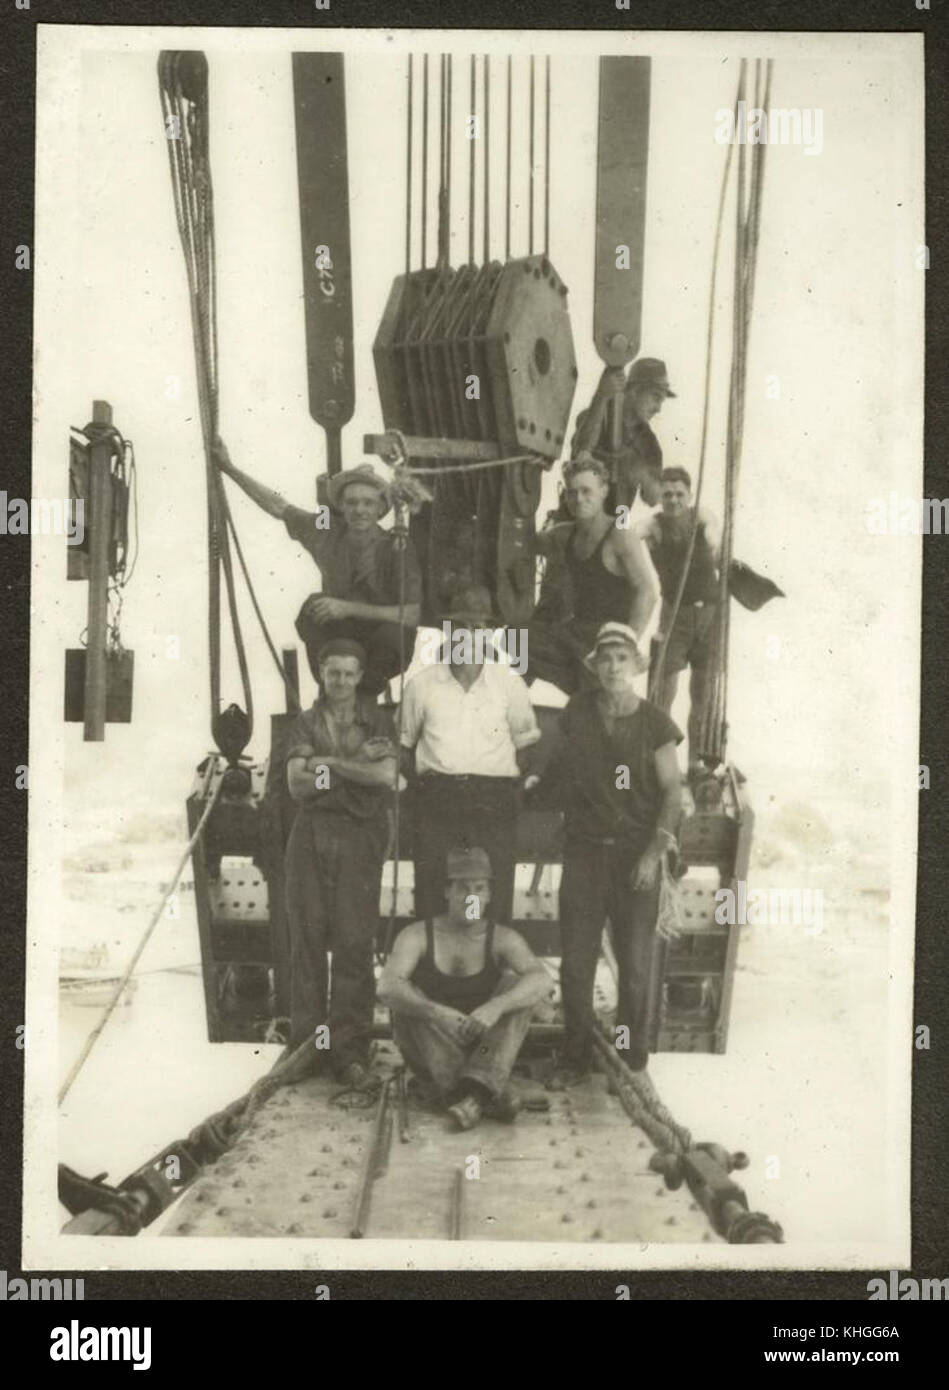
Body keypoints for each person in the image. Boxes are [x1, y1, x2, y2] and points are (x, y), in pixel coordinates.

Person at [526, 622, 683, 1079]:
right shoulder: (577, 711)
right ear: (595, 667)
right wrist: (535, 781)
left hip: (636, 857)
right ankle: (574, 1057)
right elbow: (559, 761)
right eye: (606, 659)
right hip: (585, 855)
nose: (614, 667)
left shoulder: (656, 725)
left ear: (636, 666)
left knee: (634, 969)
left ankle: (628, 1059)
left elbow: (672, 792)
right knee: (576, 963)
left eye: (622, 658)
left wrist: (653, 855)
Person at [212, 440, 421, 695]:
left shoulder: (397, 547)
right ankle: (329, 689)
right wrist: (230, 468)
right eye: (352, 502)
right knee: (312, 609)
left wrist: (347, 608)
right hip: (342, 638)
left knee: (392, 636)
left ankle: (364, 699)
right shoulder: (325, 532)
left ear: (380, 509)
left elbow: (411, 614)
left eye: (368, 503)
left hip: (381, 645)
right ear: (341, 507)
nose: (360, 510)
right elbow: (279, 507)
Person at [284, 638, 400, 1086]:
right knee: (307, 939)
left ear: (360, 676)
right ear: (321, 673)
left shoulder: (377, 720)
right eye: (334, 673)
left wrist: (325, 764)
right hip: (310, 835)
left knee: (354, 941)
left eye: (350, 674)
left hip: (360, 836)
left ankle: (349, 1050)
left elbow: (385, 776)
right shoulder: (305, 723)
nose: (342, 682)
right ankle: (307, 1047)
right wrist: (350, 762)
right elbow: (298, 787)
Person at [378, 847, 552, 1130]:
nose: (471, 897)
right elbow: (386, 986)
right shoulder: (418, 935)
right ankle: (492, 1093)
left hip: (483, 1047)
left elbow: (542, 980)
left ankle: (472, 1096)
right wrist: (436, 1013)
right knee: (406, 999)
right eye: (462, 888)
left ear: (488, 895)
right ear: (447, 892)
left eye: (479, 888)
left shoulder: (502, 938)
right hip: (435, 1048)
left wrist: (497, 1006)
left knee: (518, 988)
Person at [399, 583, 541, 925]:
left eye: (476, 629)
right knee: (434, 888)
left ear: (489, 635)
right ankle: (435, 970)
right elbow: (404, 745)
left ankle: (487, 972)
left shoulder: (509, 683)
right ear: (446, 634)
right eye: (457, 628)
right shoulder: (421, 684)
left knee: (489, 894)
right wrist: (418, 789)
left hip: (492, 800)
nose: (466, 636)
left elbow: (526, 747)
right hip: (438, 797)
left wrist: (512, 791)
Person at [526, 456, 659, 695]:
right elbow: (525, 543)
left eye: (587, 491)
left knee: (594, 710)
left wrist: (626, 642)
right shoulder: (565, 535)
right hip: (575, 634)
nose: (579, 499)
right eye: (572, 492)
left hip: (604, 642)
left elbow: (647, 592)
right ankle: (504, 711)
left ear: (603, 491)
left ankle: (593, 708)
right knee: (514, 642)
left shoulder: (620, 535)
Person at [642, 467, 722, 773]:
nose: (673, 500)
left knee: (701, 695)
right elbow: (630, 529)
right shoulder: (655, 525)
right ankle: (662, 764)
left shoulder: (700, 515)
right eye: (667, 495)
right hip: (676, 617)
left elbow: (711, 527)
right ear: (660, 497)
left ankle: (695, 763)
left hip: (710, 616)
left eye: (679, 494)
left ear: (688, 496)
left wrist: (713, 538)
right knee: (664, 694)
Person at [570, 357, 676, 510]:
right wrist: (601, 396)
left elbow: (653, 499)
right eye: (655, 397)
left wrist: (641, 474)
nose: (658, 408)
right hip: (579, 515)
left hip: (619, 519)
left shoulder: (650, 444)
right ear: (634, 391)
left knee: (623, 530)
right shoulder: (598, 414)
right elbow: (579, 453)